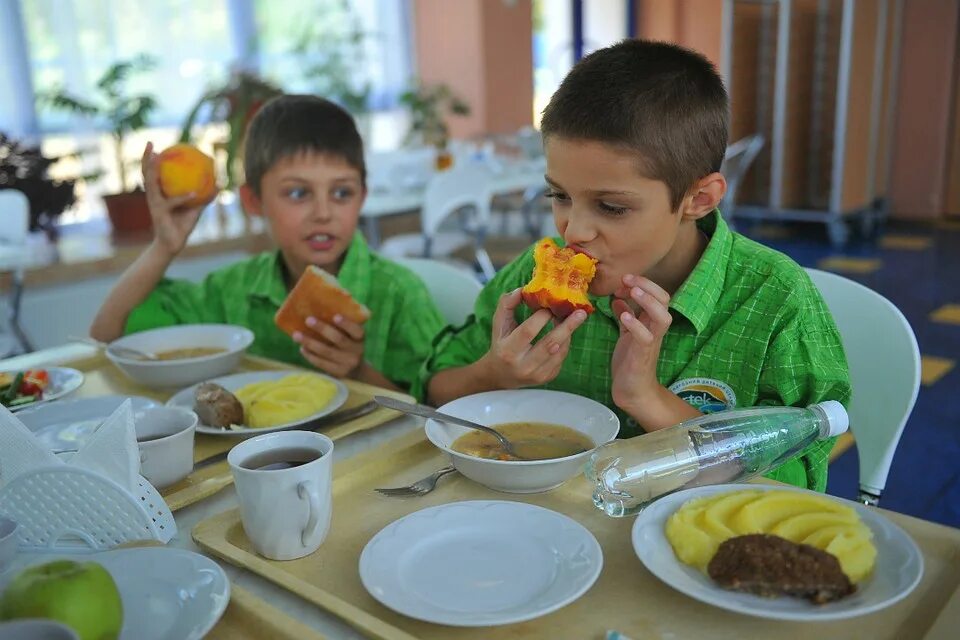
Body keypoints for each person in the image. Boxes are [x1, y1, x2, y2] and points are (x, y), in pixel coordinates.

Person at [414, 40, 851, 491]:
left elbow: (795, 481)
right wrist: (493, 374)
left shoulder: (775, 301)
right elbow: (431, 392)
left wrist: (647, 398)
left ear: (697, 200)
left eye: (611, 207)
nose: (574, 230)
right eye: (559, 195)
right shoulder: (528, 276)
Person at [90, 95, 445, 393]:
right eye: (297, 192)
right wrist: (164, 246)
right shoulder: (230, 290)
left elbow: (439, 415)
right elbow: (107, 336)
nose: (323, 213)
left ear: (362, 197)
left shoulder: (400, 294)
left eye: (341, 193)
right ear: (253, 201)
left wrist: (358, 372)